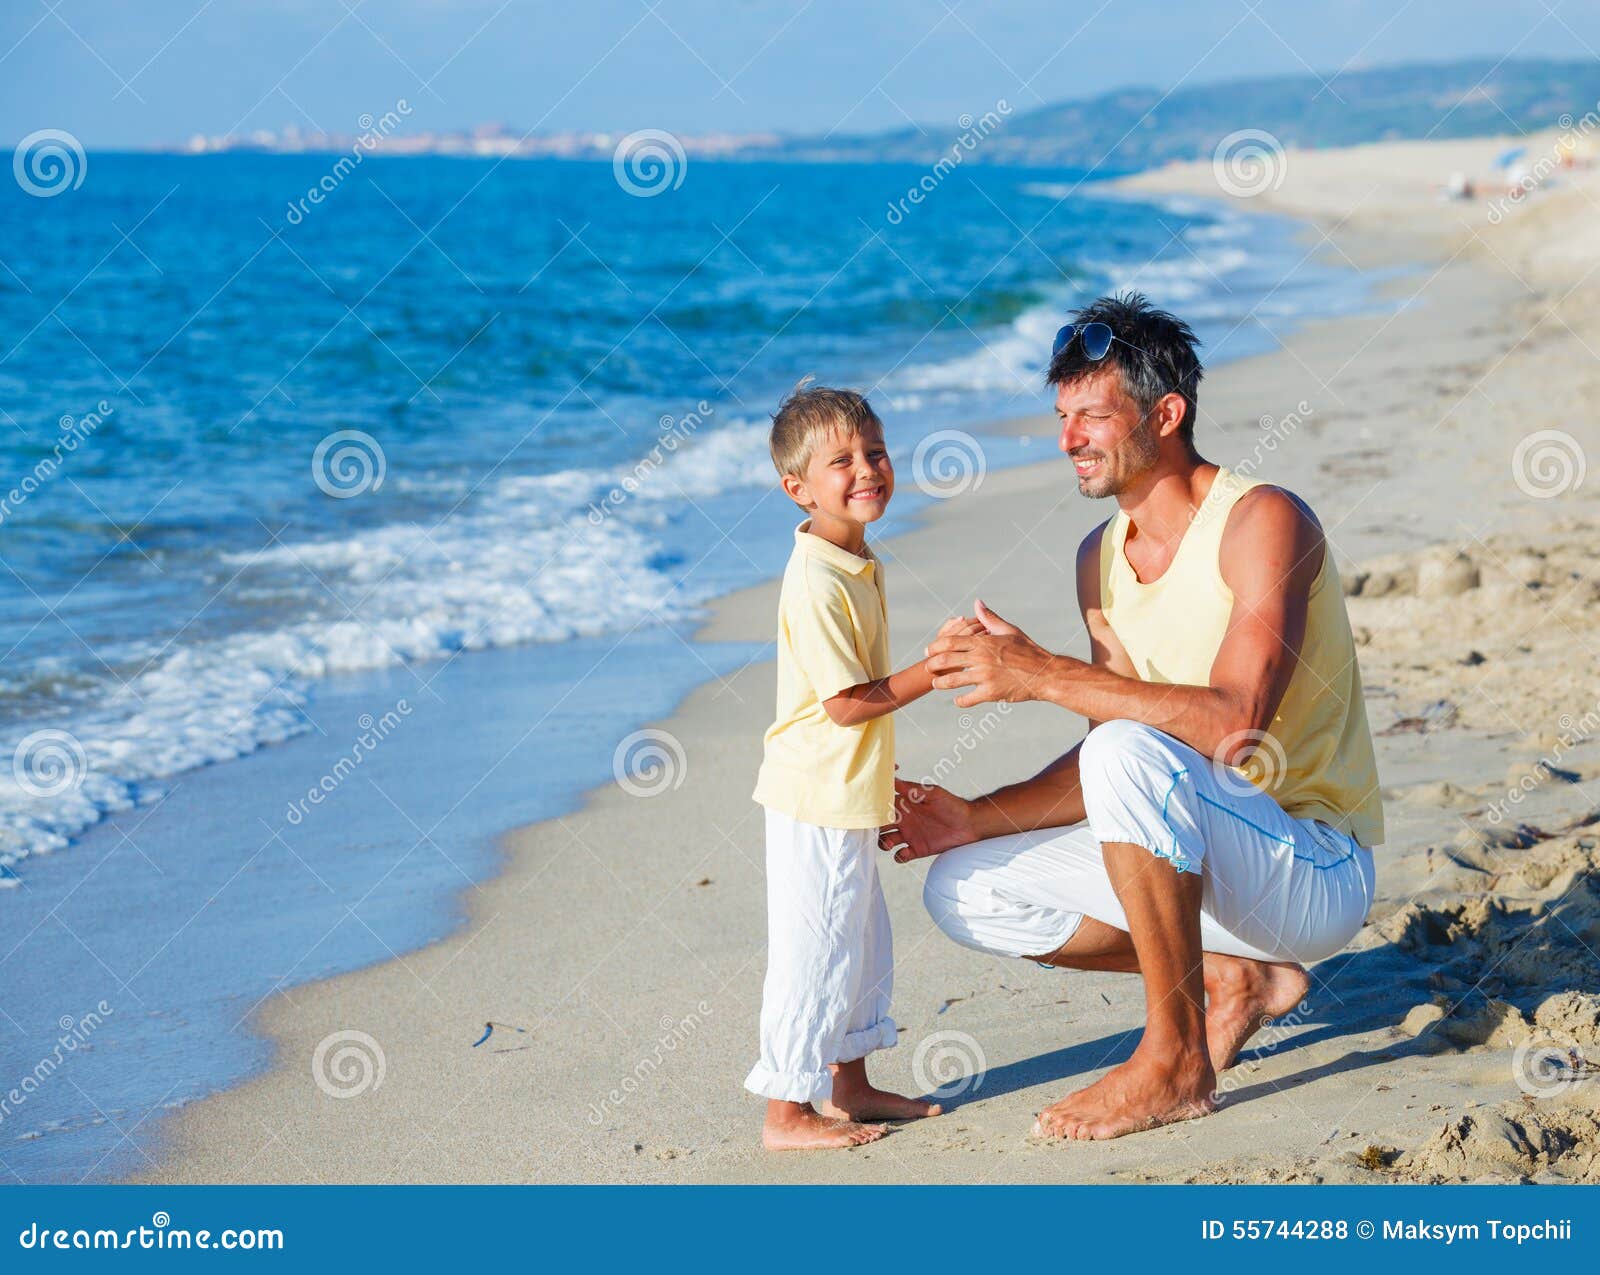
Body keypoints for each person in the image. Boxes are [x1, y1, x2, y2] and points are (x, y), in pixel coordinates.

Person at [886, 293, 1383, 1141]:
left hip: (1311, 866)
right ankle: (1233, 979)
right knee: (962, 887)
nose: (1067, 438)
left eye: (1091, 415)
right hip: (1203, 850)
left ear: (1166, 413)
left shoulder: (1264, 519)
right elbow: (1111, 769)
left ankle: (1175, 1058)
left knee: (1126, 747)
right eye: (1060, 416)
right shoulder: (1100, 559)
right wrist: (974, 815)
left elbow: (1234, 724)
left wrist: (1042, 673)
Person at [746, 384, 945, 1150]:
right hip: (814, 795)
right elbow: (844, 704)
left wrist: (878, 776)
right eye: (842, 461)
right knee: (816, 945)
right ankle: (785, 1111)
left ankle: (849, 1083)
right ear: (796, 487)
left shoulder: (854, 556)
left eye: (876, 450)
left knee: (861, 940)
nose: (867, 468)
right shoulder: (818, 577)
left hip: (845, 787)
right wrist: (934, 669)